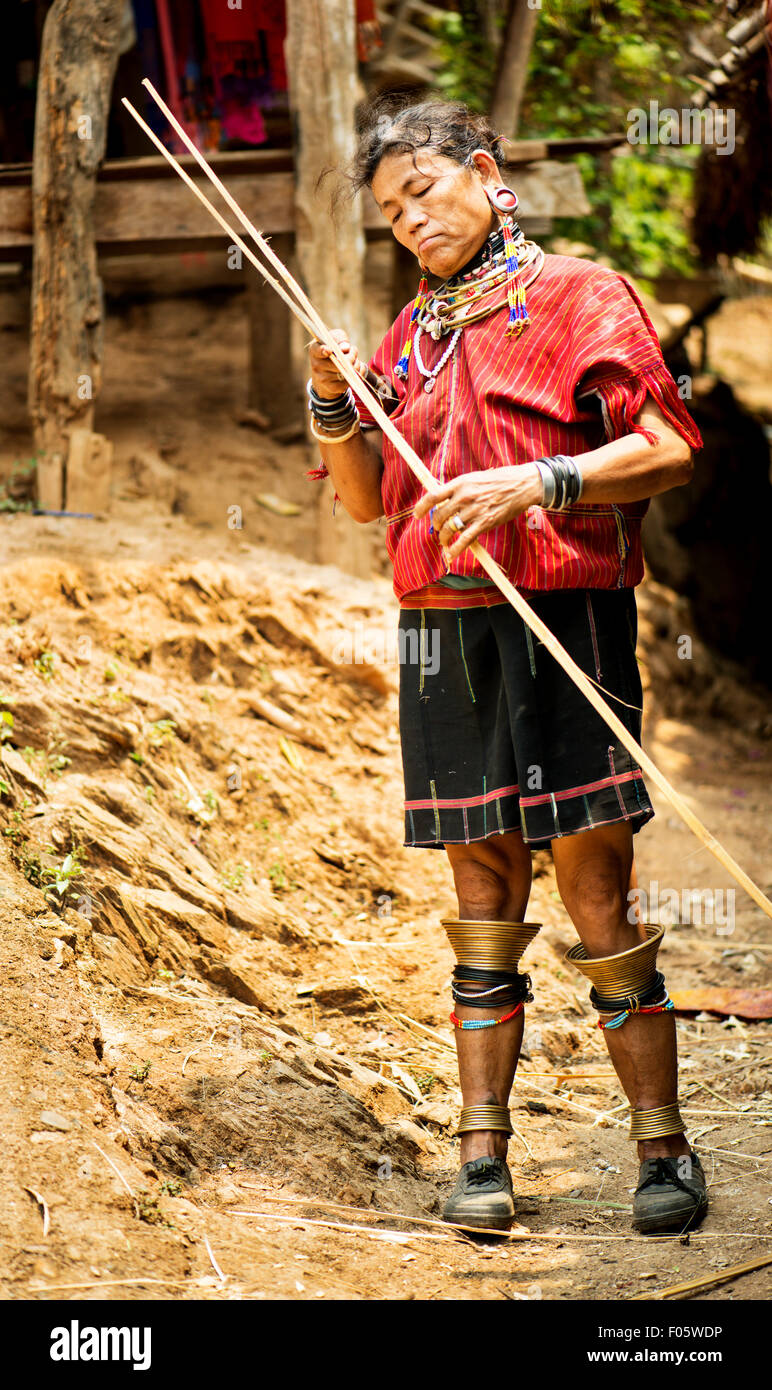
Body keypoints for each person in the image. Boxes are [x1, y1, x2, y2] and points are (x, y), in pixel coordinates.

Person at [307, 97, 708, 1235]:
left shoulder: (583, 295)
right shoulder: (407, 337)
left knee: (595, 884)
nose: (410, 223)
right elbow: (358, 504)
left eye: (422, 191)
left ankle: (661, 1150)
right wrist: (336, 402)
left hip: (563, 608)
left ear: (484, 173)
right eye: (390, 213)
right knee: (481, 889)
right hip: (441, 623)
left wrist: (544, 483)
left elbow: (670, 447)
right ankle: (482, 1160)